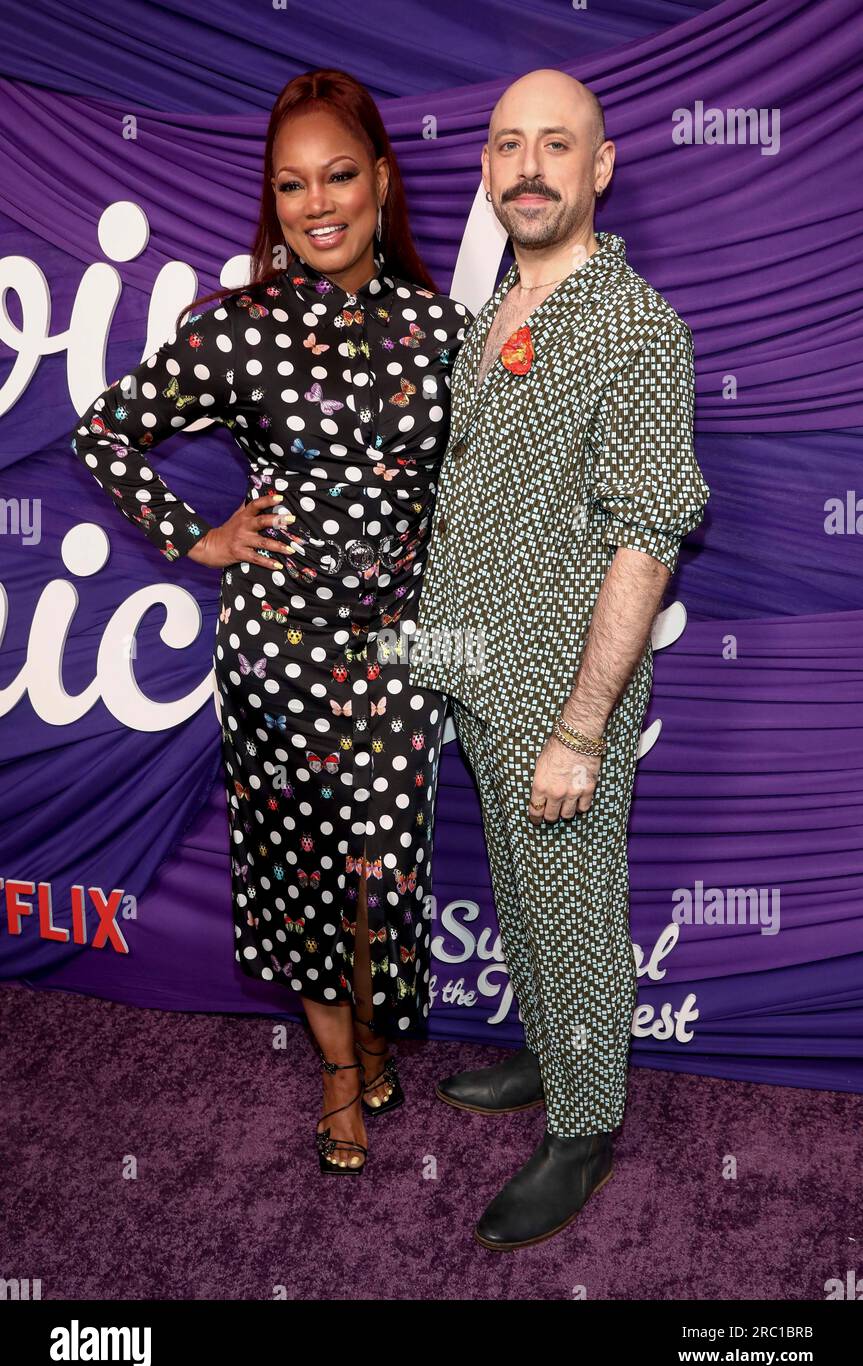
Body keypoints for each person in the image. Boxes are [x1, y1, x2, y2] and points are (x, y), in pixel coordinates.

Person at [70, 69, 472, 1177]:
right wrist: (194, 534)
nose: (318, 201)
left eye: (339, 174)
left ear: (381, 182)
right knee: (297, 865)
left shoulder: (446, 333)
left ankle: (374, 1028)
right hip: (275, 650)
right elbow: (102, 432)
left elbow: (486, 497)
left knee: (382, 871)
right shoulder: (234, 331)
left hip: (400, 646)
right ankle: (339, 1067)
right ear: (274, 200)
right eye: (291, 184)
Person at [408, 69, 710, 1247]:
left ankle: (583, 1127)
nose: (526, 167)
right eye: (504, 147)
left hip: (556, 686)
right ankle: (544, 1055)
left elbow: (648, 533)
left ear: (600, 168)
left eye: (555, 146)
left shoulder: (633, 327)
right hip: (471, 667)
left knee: (574, 907)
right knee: (526, 896)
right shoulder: (493, 312)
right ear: (487, 171)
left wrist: (581, 726)